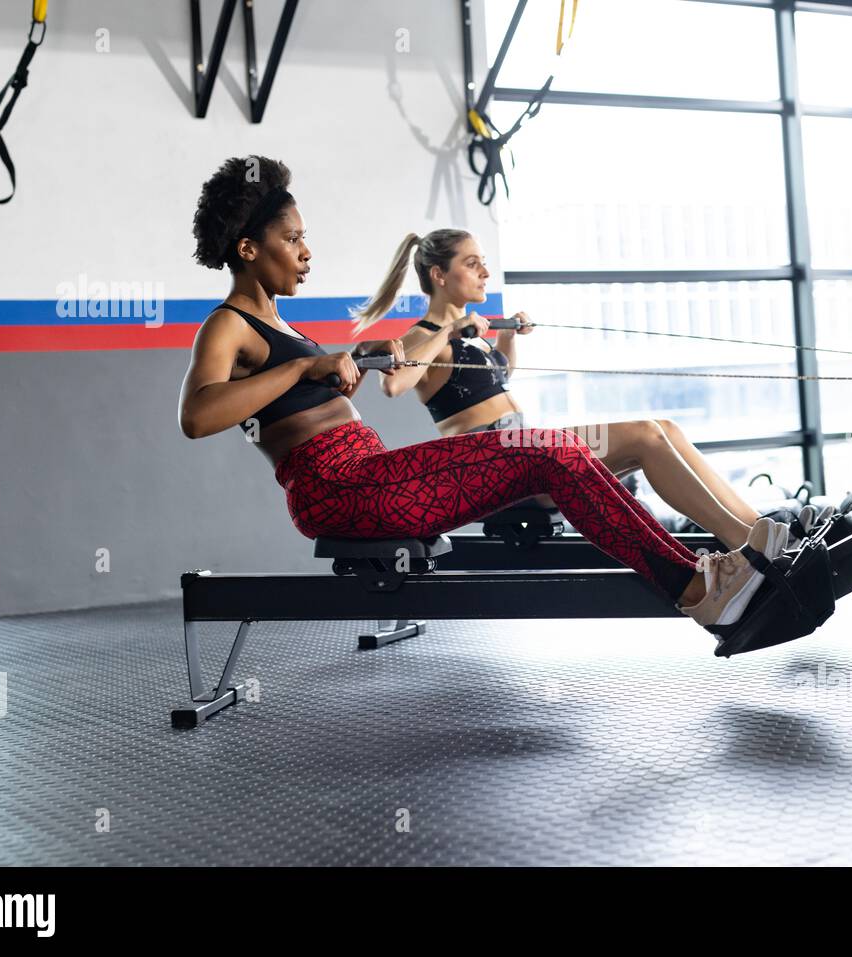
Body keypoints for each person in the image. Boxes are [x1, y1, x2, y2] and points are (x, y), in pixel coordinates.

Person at [179, 155, 793, 645]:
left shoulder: (289, 330)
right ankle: (697, 587)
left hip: (369, 472)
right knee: (550, 453)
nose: (306, 251)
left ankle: (710, 568)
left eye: (305, 237)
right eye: (292, 239)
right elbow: (199, 415)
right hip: (341, 489)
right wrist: (308, 369)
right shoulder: (227, 325)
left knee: (553, 450)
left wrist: (342, 370)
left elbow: (302, 401)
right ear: (248, 249)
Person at [354, 228, 831, 551]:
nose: (484, 272)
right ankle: (746, 542)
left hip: (523, 448)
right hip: (495, 462)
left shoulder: (468, 334)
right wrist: (450, 330)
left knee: (663, 427)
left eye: (484, 264)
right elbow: (396, 384)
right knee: (644, 434)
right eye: (472, 264)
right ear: (439, 275)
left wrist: (502, 336)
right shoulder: (422, 335)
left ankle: (761, 530)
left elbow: (497, 377)